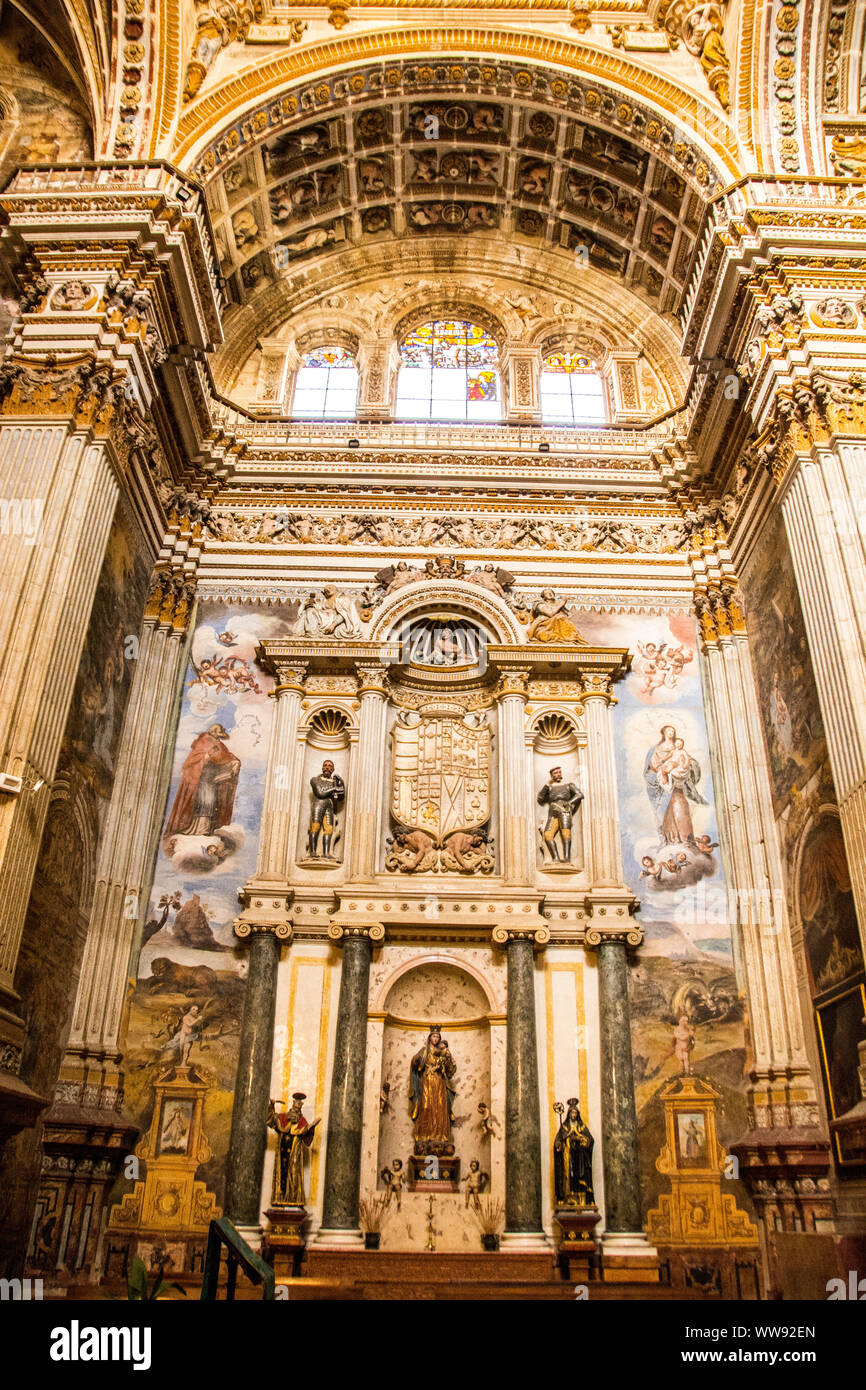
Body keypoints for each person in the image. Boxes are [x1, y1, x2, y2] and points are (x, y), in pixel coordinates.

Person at [165, 723, 240, 837]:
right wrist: (207, 757)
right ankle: (198, 829)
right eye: (219, 732)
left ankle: (206, 829)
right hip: (203, 777)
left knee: (211, 801)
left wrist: (235, 762)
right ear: (214, 732)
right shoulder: (204, 741)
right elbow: (193, 760)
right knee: (205, 800)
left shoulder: (219, 744)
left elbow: (226, 756)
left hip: (212, 778)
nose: (220, 735)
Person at [409, 1026, 457, 1154]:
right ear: (430, 1038)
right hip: (427, 1081)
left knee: (440, 1107)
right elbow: (415, 1063)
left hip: (440, 1082)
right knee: (426, 1106)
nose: (435, 1039)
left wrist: (448, 1058)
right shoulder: (424, 1051)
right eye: (433, 1036)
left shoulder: (443, 1052)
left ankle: (440, 1136)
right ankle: (425, 1136)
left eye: (437, 1037)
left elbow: (450, 1070)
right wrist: (416, 1060)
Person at [267, 1093, 320, 1206]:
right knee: (281, 1173)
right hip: (282, 1150)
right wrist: (272, 1105)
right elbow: (271, 1120)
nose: (298, 1104)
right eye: (297, 1102)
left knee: (294, 1173)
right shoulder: (283, 1117)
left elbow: (306, 1138)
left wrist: (311, 1127)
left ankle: (293, 1199)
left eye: (300, 1103)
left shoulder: (302, 1121)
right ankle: (280, 1198)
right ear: (293, 1103)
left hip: (294, 1150)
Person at [553, 1098, 595, 1208]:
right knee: (569, 1177)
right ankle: (567, 1197)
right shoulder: (565, 1127)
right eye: (572, 1112)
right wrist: (559, 1144)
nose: (573, 1114)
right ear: (568, 1114)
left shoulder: (582, 1127)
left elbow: (590, 1140)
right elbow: (558, 1142)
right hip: (568, 1157)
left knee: (580, 1176)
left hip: (580, 1158)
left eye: (575, 1112)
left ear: (578, 1114)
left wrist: (581, 1139)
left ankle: (583, 1199)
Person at [537, 766, 583, 862]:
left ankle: (567, 858)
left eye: (559, 772)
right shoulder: (549, 788)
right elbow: (540, 799)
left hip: (564, 810)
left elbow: (579, 794)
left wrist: (569, 803)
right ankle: (556, 858)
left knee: (565, 833)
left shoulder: (568, 785)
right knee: (548, 835)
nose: (558, 774)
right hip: (553, 812)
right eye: (555, 773)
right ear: (552, 776)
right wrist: (547, 784)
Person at [307, 759, 345, 857]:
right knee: (315, 827)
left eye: (330, 766)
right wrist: (335, 789)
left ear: (333, 769)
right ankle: (312, 852)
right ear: (323, 767)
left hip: (330, 806)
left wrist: (341, 782)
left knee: (329, 829)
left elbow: (341, 796)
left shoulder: (334, 782)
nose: (327, 767)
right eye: (325, 765)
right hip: (318, 804)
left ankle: (326, 853)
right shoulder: (315, 779)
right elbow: (320, 793)